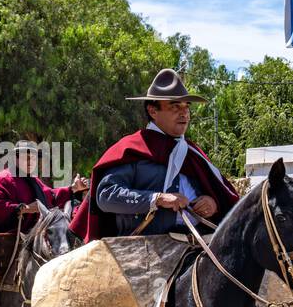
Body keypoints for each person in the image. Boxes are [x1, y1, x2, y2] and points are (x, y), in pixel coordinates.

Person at [70, 68, 237, 243]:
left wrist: (212, 203)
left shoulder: (193, 153)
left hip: (195, 243)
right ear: (153, 111)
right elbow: (106, 195)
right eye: (175, 106)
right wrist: (156, 199)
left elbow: (218, 193)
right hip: (141, 248)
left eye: (186, 107)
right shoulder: (132, 149)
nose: (184, 113)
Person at [0, 141, 87, 247]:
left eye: (33, 158)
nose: (30, 161)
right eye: (26, 158)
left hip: (30, 239)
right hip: (4, 240)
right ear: (15, 159)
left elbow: (51, 196)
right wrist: (24, 209)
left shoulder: (33, 180)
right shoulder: (2, 179)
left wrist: (73, 188)